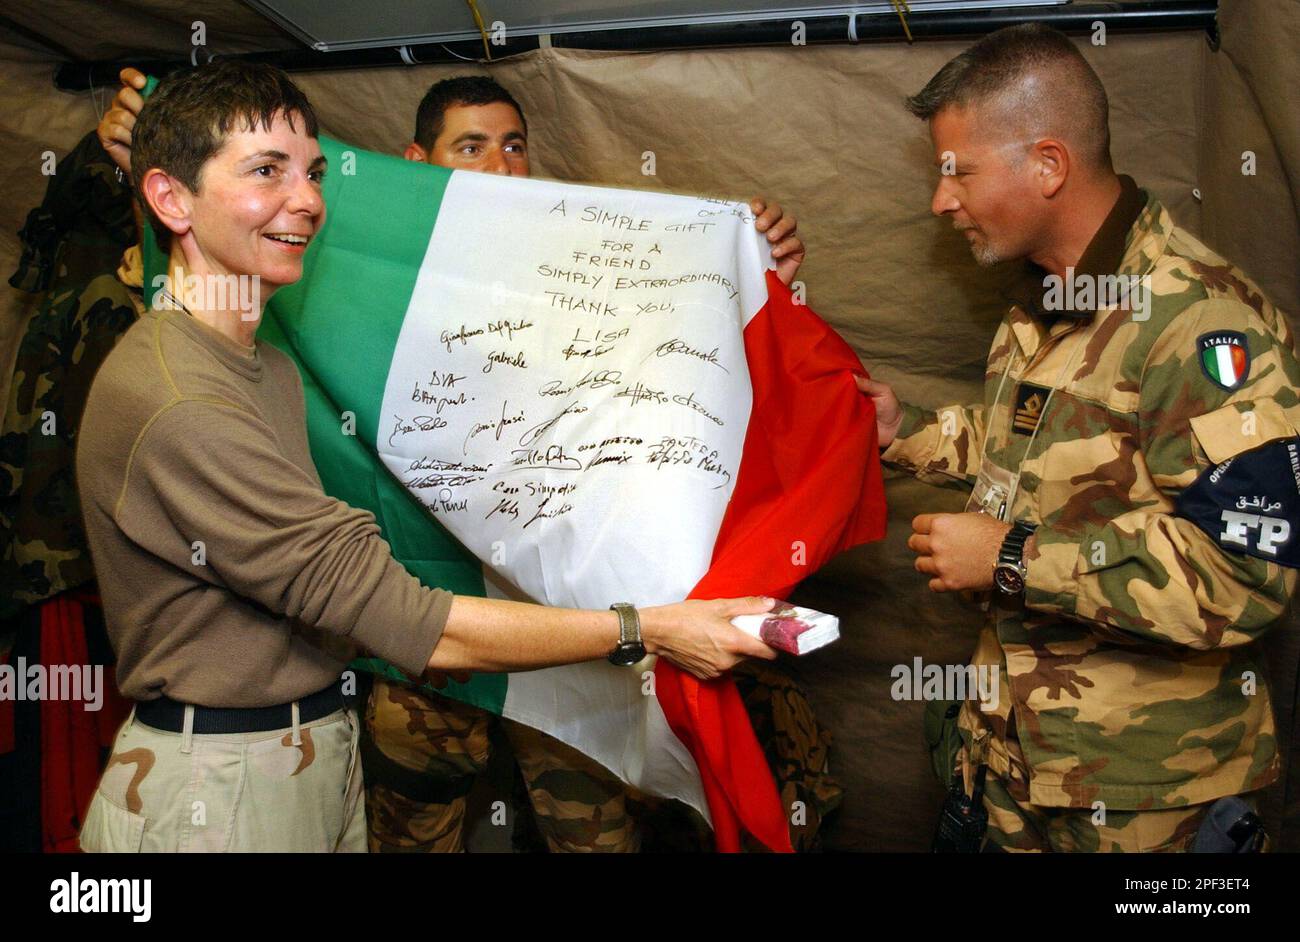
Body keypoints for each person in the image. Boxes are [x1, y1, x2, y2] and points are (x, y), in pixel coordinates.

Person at [98, 69, 838, 853]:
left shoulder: (267, 357)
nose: (307, 199)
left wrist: (733, 287)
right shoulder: (210, 380)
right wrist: (650, 626)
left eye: (313, 172)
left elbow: (659, 408)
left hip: (332, 733)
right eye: (265, 170)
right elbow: (396, 613)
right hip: (246, 758)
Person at [857, 23, 1298, 852]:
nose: (940, 201)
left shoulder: (1201, 321)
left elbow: (1248, 572)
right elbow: (1039, 446)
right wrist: (905, 431)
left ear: (1048, 165)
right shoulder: (1050, 298)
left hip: (1145, 795)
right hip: (1015, 760)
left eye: (959, 173)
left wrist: (1015, 558)